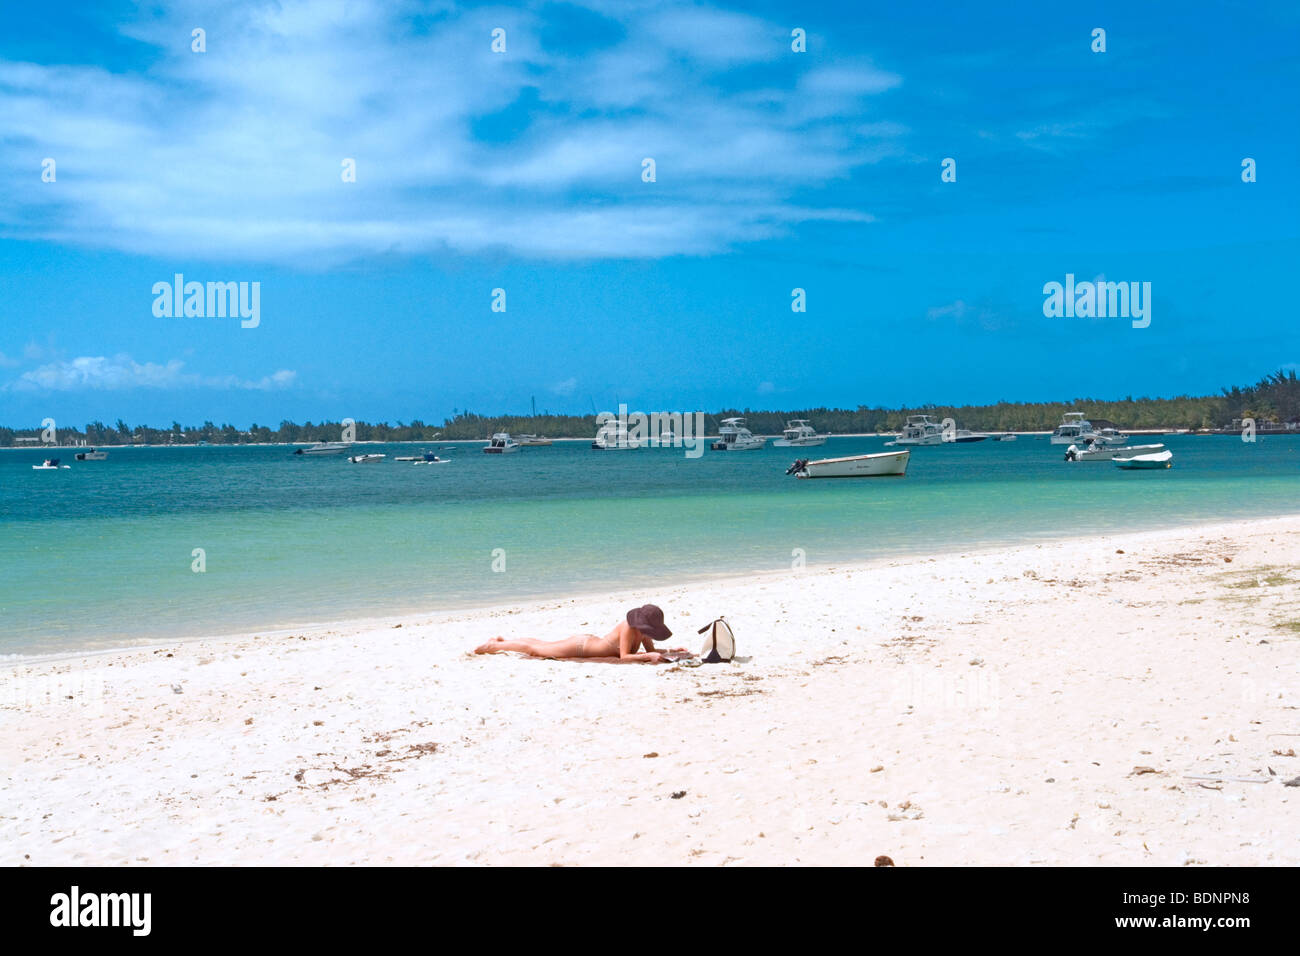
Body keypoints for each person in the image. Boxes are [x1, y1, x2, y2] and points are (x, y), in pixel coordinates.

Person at [474, 603, 690, 663]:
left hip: (588, 642)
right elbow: (625, 657)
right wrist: (647, 657)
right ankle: (493, 646)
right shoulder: (628, 627)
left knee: (542, 643)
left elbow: (652, 651)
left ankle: (503, 640)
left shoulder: (643, 633)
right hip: (581, 647)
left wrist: (672, 650)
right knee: (536, 650)